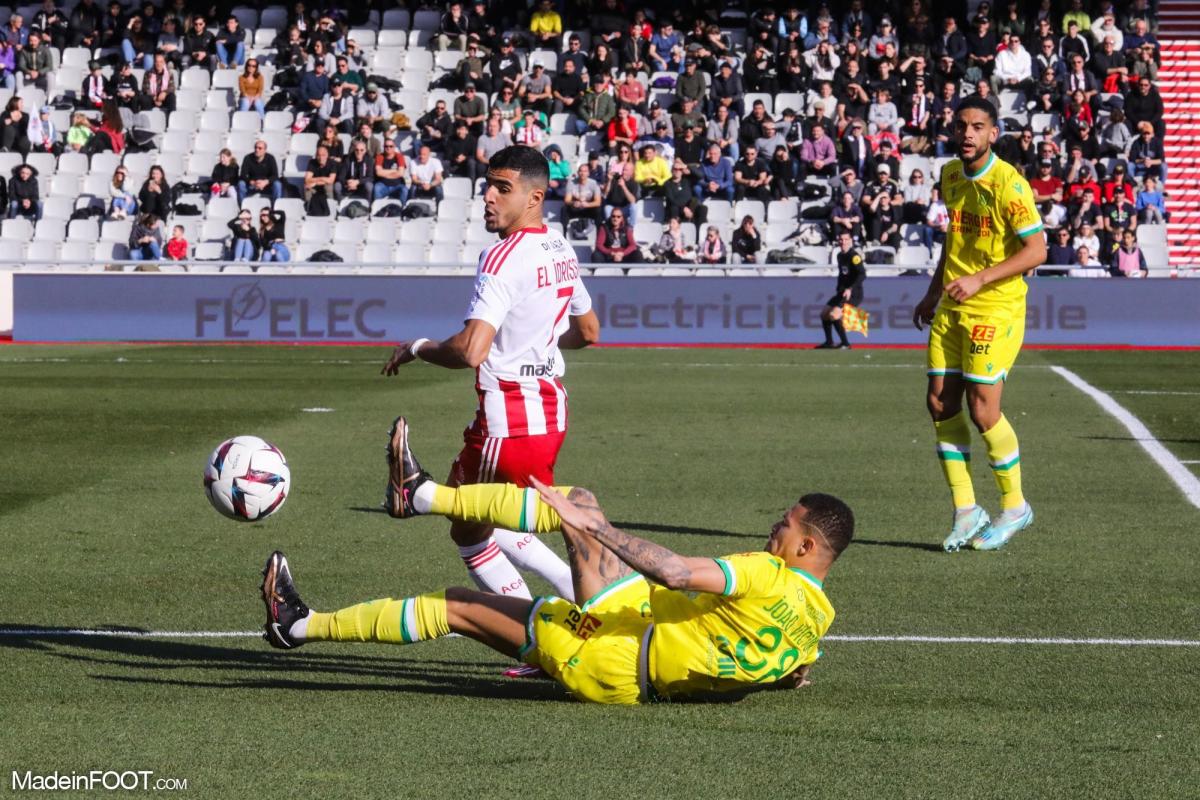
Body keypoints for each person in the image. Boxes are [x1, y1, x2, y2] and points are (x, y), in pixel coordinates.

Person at [261, 418, 855, 704]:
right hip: (638, 634)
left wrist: (601, 532)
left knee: (461, 604)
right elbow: (789, 673)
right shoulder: (817, 620)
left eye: (786, 523)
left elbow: (675, 572)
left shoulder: (767, 571)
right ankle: (418, 497)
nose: (774, 527)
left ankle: (300, 624)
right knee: (576, 504)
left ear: (806, 546)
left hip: (613, 651)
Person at [380, 146, 600, 605]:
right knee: (497, 516)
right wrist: (535, 344)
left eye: (503, 188)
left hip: (509, 421)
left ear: (534, 197)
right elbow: (588, 332)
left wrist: (418, 347)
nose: (488, 197)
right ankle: (579, 603)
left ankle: (531, 630)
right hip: (549, 415)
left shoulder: (501, 257)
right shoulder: (560, 247)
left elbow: (470, 350)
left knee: (469, 532)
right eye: (488, 186)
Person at [912, 96, 1045, 552]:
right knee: (939, 403)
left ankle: (1015, 507)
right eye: (961, 126)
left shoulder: (1010, 185)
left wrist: (980, 279)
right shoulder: (950, 175)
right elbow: (954, 237)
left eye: (978, 127)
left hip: (995, 307)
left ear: (993, 133)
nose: (968, 134)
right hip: (953, 304)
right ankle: (966, 510)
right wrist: (934, 291)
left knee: (983, 410)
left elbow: (1037, 251)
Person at [817, 231, 865, 349]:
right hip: (842, 292)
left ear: (851, 241)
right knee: (824, 314)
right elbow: (843, 274)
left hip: (853, 294)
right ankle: (829, 342)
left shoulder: (854, 256)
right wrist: (840, 287)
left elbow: (862, 274)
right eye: (841, 239)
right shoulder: (839, 255)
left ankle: (845, 344)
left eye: (846, 239)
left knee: (834, 315)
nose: (843, 242)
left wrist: (850, 288)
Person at [561, 163, 602, 234]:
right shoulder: (571, 183)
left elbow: (598, 202)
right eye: (581, 171)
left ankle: (599, 234)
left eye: (585, 171)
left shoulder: (593, 183)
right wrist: (573, 203)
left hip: (588, 208)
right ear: (578, 172)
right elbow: (567, 200)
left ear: (588, 173)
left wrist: (587, 204)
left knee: (598, 210)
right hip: (576, 207)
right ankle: (563, 233)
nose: (582, 173)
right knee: (564, 209)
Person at [373, 138, 409, 204]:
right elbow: (378, 173)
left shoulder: (399, 156)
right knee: (377, 187)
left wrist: (384, 173)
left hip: (397, 185)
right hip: (383, 184)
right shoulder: (380, 156)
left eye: (391, 146)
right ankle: (377, 207)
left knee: (404, 189)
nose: (388, 148)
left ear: (394, 147)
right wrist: (395, 171)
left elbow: (401, 173)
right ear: (383, 147)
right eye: (386, 146)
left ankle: (403, 208)